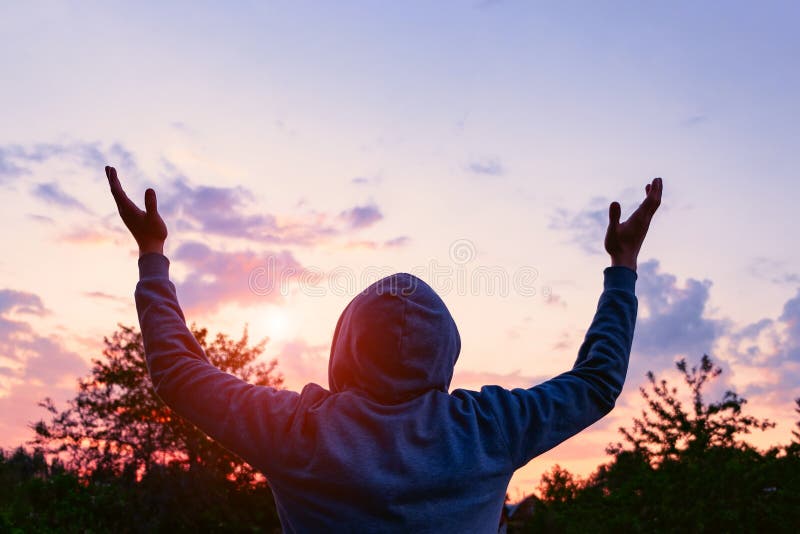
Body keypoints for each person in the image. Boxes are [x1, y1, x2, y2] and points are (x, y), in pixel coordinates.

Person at [106, 166, 662, 533]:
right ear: (446, 349)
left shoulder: (297, 431)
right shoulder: (489, 429)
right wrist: (622, 266)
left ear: (345, 344)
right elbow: (596, 381)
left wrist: (152, 253)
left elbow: (178, 373)